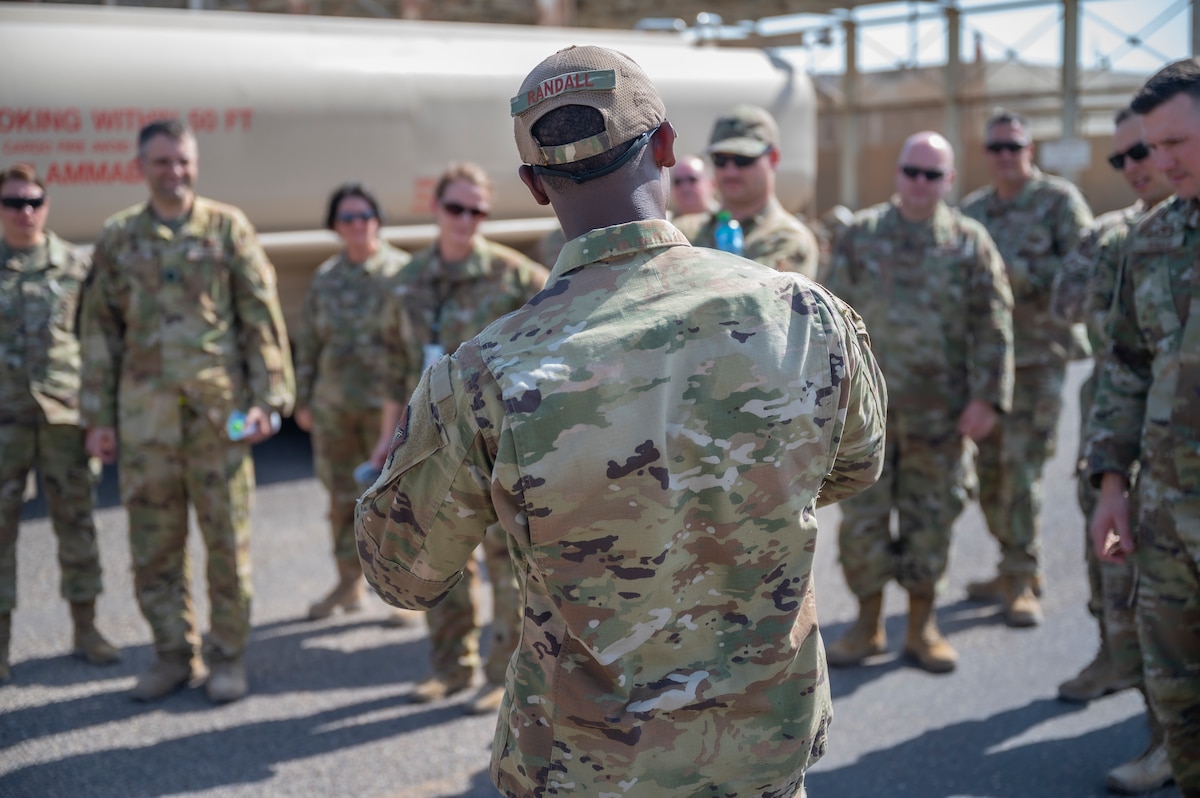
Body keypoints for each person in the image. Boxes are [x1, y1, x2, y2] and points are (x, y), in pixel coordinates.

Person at [357, 44, 887, 796]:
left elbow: (399, 572)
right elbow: (855, 464)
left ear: (535, 186)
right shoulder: (802, 314)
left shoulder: (484, 374)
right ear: (667, 146)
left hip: (586, 769)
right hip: (764, 754)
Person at [80, 119, 295, 704]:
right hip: (146, 422)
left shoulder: (227, 228)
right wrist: (98, 416)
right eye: (162, 163)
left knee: (227, 542)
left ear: (194, 163)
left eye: (183, 161)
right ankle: (173, 655)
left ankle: (227, 658)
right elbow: (98, 331)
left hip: (216, 420)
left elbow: (260, 318)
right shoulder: (119, 237)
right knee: (153, 545)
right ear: (141, 166)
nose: (174, 173)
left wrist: (269, 399)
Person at [824, 132, 1014, 674]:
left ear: (949, 181)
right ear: (898, 173)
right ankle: (867, 624)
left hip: (942, 415)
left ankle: (922, 625)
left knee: (931, 520)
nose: (920, 183)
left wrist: (988, 399)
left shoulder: (969, 241)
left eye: (933, 175)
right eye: (913, 171)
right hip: (868, 417)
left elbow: (994, 324)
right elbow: (829, 320)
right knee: (863, 522)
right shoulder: (862, 235)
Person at [372, 161, 548, 713]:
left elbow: (551, 352)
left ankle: (502, 673)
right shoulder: (405, 280)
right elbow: (390, 364)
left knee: (504, 562)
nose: (466, 219)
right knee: (436, 555)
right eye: (456, 207)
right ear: (436, 208)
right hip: (428, 442)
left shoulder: (516, 277)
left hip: (497, 445)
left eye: (477, 210)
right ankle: (450, 667)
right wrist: (385, 445)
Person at [1050, 107, 1174, 794]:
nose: (1135, 167)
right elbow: (1069, 309)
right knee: (1120, 573)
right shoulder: (1112, 235)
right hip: (1120, 424)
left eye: (1145, 152)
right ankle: (1118, 666)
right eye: (1122, 158)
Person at [1087, 59, 1200, 798]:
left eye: (1177, 142)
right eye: (1150, 147)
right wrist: (1110, 486)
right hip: (1164, 516)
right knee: (1177, 694)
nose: (1160, 162)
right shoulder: (1154, 238)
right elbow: (1124, 369)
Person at [960, 108, 1094, 626]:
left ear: (1029, 151)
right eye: (996, 148)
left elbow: (1083, 268)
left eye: (1014, 147)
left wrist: (1013, 273)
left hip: (1039, 361)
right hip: (990, 364)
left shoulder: (1058, 202)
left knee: (1021, 471)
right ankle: (1010, 562)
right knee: (989, 475)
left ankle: (1021, 576)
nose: (1005, 157)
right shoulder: (976, 210)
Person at [0, 163, 121, 683]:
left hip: (63, 420)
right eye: (12, 202)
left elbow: (96, 347)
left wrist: (100, 418)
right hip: (4, 422)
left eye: (33, 201)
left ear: (46, 205)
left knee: (77, 524)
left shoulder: (75, 265)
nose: (24, 211)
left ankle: (86, 629)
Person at [293, 183, 412, 621]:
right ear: (335, 227)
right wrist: (302, 399)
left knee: (399, 499)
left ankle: (403, 592)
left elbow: (415, 346)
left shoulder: (402, 272)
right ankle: (347, 584)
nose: (358, 225)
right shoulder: (325, 279)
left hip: (388, 407)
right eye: (348, 218)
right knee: (342, 499)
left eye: (365, 215)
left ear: (377, 220)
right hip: (334, 407)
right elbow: (308, 343)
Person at [674, 105, 821, 278]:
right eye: (720, 159)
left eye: (743, 159)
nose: (730, 171)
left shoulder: (788, 239)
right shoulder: (684, 231)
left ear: (773, 158)